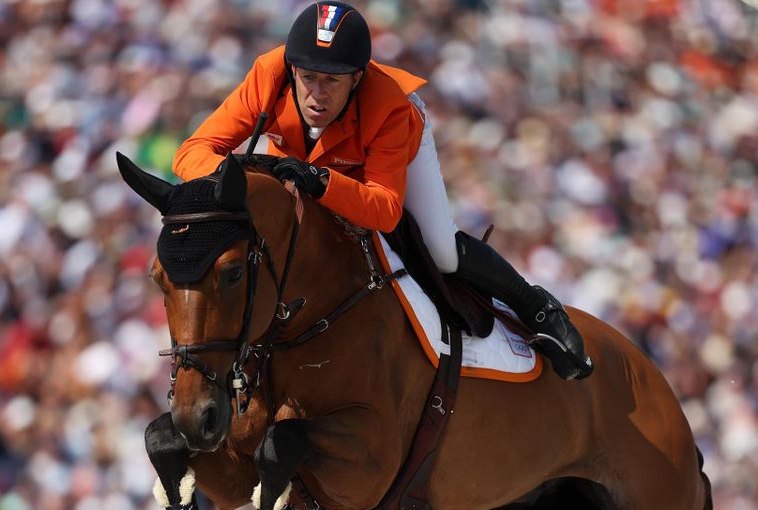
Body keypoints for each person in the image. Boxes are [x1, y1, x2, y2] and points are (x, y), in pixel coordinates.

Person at [172, 1, 592, 380]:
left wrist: (320, 181)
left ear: (356, 78)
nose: (317, 95)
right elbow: (190, 154)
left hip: (387, 156)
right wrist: (251, 176)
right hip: (301, 164)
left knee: (440, 251)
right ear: (293, 69)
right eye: (309, 78)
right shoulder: (269, 75)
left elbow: (385, 209)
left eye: (332, 81)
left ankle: (535, 305)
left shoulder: (389, 106)